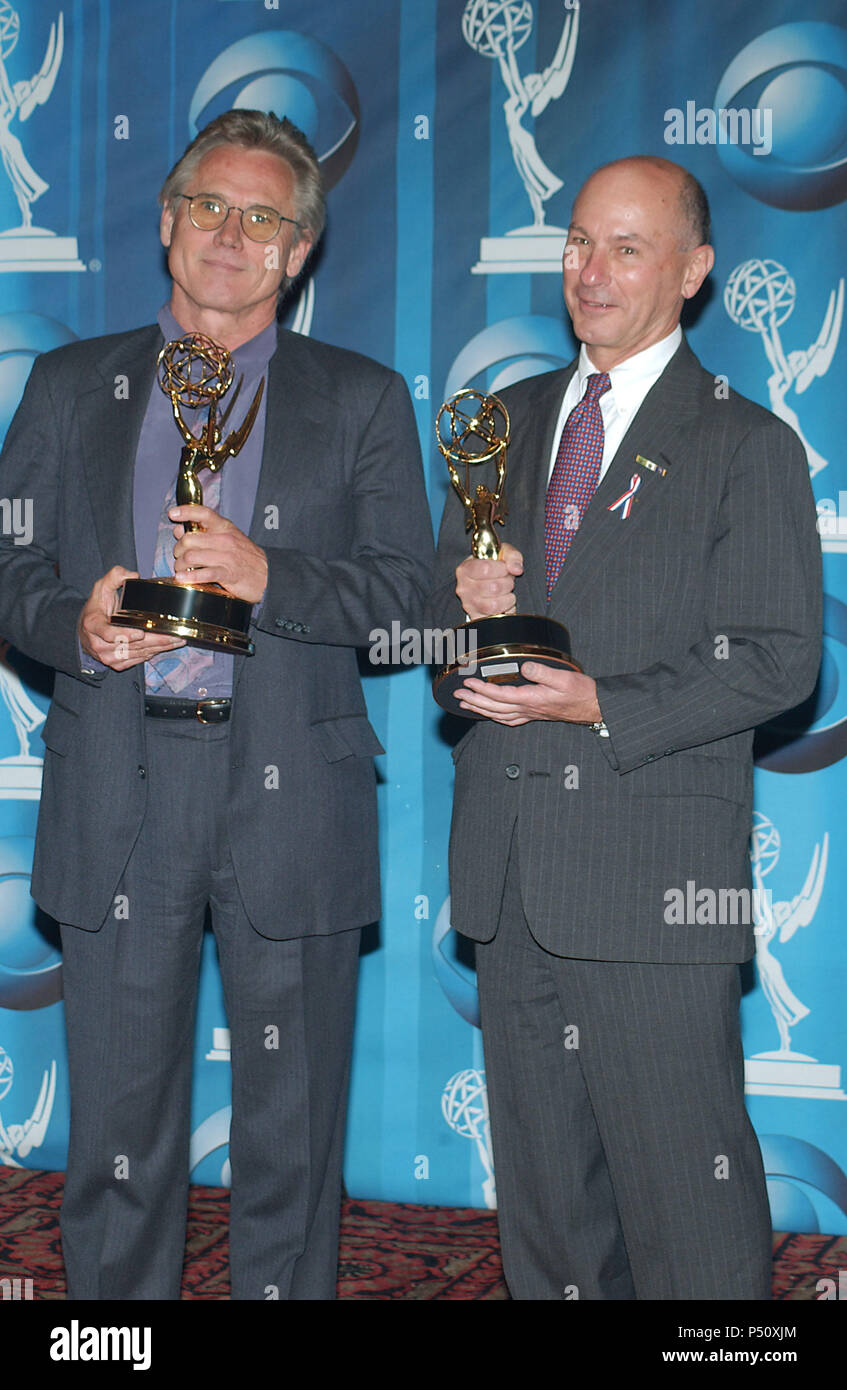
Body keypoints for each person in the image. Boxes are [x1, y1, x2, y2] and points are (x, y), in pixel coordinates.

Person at [0, 109, 433, 1300]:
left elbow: (411, 592)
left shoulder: (360, 397)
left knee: (291, 1141)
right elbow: (8, 569)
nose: (229, 234)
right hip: (118, 785)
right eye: (207, 206)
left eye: (262, 218)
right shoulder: (69, 382)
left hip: (289, 787)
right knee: (116, 1139)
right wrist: (71, 628)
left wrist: (269, 578)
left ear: (299, 252)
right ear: (164, 221)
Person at [429, 155, 821, 1300]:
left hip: (653, 888)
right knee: (548, 1220)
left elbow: (781, 658)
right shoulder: (496, 427)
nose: (589, 272)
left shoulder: (745, 444)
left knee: (687, 1220)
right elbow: (425, 621)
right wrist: (459, 623)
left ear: (694, 273)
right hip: (507, 880)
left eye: (627, 248)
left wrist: (600, 698)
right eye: (578, 242)